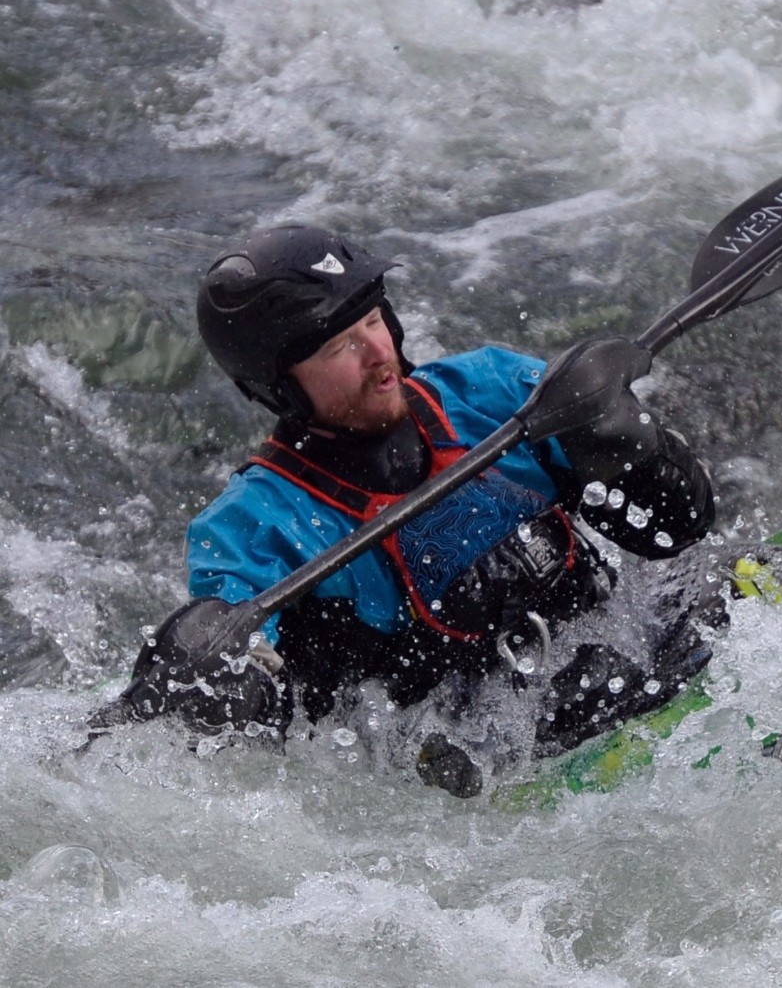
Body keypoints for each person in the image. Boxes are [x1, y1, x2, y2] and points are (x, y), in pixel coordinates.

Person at [92, 224, 723, 796]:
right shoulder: (259, 528)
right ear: (278, 388)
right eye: (340, 346)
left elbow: (678, 530)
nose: (377, 354)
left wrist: (627, 440)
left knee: (744, 578)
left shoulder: (494, 391)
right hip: (481, 761)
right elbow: (253, 720)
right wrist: (211, 669)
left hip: (624, 645)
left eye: (372, 319)